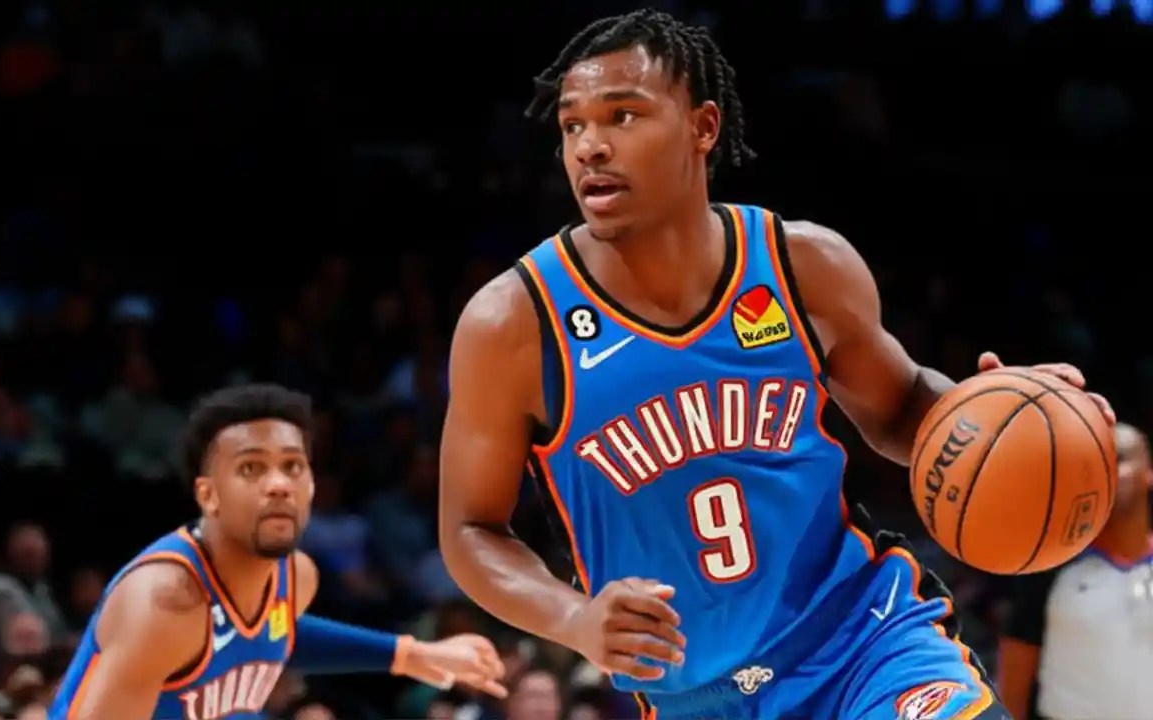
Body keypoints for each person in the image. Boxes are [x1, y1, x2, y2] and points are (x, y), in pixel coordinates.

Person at [437, 9, 1115, 720]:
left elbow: (903, 409)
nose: (591, 148)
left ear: (703, 127)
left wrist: (1009, 412)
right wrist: (571, 618)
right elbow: (470, 530)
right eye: (573, 126)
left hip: (863, 644)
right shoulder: (514, 323)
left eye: (623, 117)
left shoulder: (801, 266)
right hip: (693, 698)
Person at [50, 384, 505, 719]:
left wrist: (409, 654)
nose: (278, 485)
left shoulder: (295, 576)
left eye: (293, 466)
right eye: (251, 468)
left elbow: (273, 633)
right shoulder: (166, 603)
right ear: (209, 495)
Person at [998, 422, 1153, 720]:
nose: (1107, 473)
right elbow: (1015, 667)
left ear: (1148, 472)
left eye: (1118, 459)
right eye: (1097, 464)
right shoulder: (1048, 565)